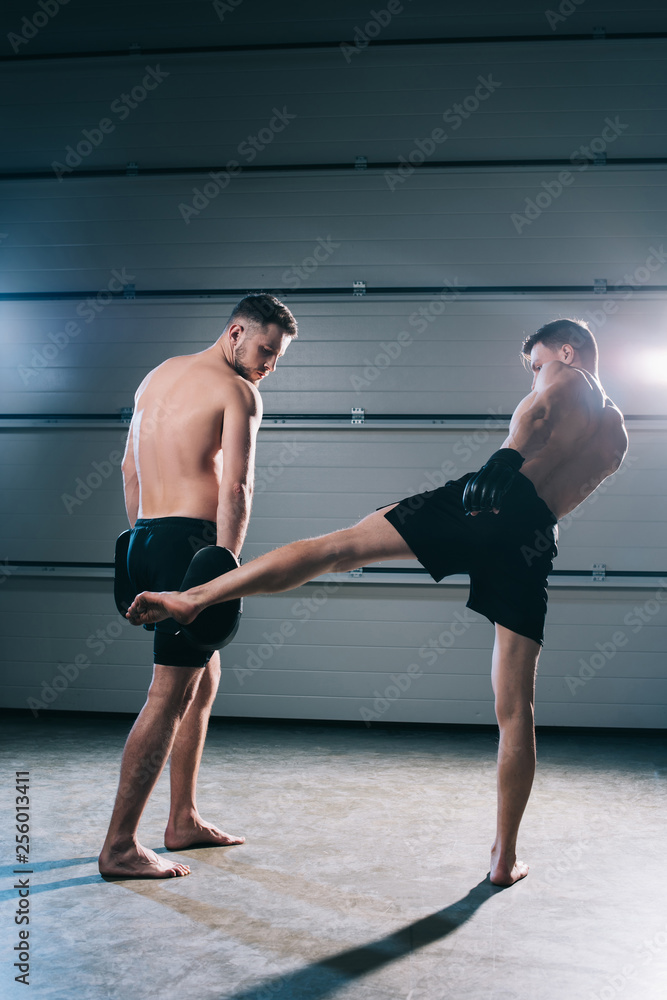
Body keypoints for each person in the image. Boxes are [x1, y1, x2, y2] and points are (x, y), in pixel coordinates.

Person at [126, 319, 628, 886]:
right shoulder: (618, 436)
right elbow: (566, 491)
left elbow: (538, 411)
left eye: (538, 362)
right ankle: (504, 858)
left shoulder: (571, 377)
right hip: (533, 540)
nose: (538, 372)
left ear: (565, 349)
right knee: (517, 712)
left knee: (336, 549)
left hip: (487, 500)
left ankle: (197, 597)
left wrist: (505, 458)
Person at [98, 293, 298, 879]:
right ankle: (119, 846)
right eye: (265, 350)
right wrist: (223, 568)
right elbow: (237, 487)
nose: (268, 367)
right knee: (169, 694)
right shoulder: (238, 392)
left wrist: (141, 542)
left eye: (278, 358)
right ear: (236, 332)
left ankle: (181, 818)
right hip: (192, 546)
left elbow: (129, 467)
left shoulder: (157, 376)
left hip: (144, 537)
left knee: (202, 678)